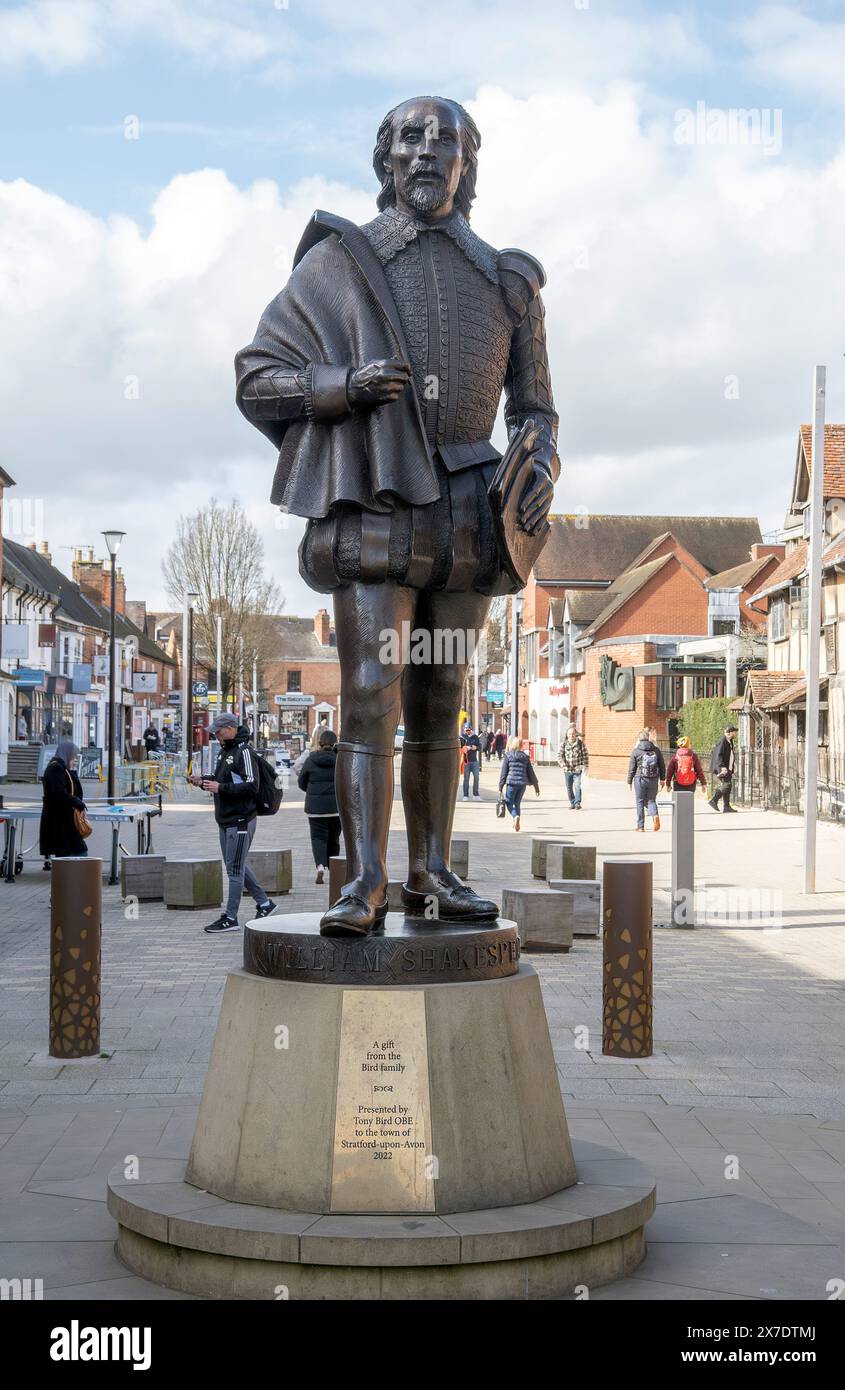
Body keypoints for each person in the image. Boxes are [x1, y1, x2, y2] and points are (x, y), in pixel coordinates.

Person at [235, 95, 557, 935]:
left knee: (443, 696)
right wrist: (341, 386)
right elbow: (257, 376)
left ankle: (434, 873)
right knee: (372, 694)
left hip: (466, 515)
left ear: (467, 164)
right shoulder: (338, 265)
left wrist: (542, 460)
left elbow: (536, 410)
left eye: (444, 140)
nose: (426, 153)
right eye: (410, 138)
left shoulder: (509, 281)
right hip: (375, 502)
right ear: (385, 159)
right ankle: (366, 881)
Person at [189, 713, 279, 934]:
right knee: (234, 865)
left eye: (219, 732)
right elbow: (224, 779)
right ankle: (265, 904)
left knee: (234, 869)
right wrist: (203, 781)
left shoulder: (244, 752)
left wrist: (220, 788)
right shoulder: (225, 751)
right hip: (226, 819)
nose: (217, 736)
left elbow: (252, 786)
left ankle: (231, 917)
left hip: (240, 819)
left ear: (230, 728)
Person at [297, 729, 341, 883]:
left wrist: (311, 790)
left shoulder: (311, 759)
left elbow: (302, 782)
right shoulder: (340, 760)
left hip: (315, 809)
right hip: (336, 808)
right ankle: (335, 869)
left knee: (318, 838)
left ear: (320, 742)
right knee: (334, 839)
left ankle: (321, 867)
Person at [39, 741, 88, 861]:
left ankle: (72, 877)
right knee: (76, 853)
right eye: (73, 757)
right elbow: (59, 794)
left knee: (75, 851)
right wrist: (77, 803)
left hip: (64, 820)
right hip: (59, 821)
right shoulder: (56, 768)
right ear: (66, 754)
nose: (74, 760)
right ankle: (71, 878)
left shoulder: (61, 768)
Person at [627, 728, 666, 832]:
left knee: (640, 801)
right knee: (651, 800)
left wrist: (629, 781)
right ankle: (655, 815)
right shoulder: (656, 750)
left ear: (639, 739)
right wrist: (662, 779)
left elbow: (632, 768)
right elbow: (662, 765)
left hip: (640, 778)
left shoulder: (636, 751)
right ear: (648, 738)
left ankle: (640, 826)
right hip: (653, 779)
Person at [498, 735, 540, 831]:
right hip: (522, 784)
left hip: (511, 783)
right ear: (521, 745)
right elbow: (531, 772)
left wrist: (500, 786)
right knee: (517, 803)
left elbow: (503, 773)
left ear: (512, 744)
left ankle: (515, 816)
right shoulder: (525, 757)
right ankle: (516, 822)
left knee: (509, 802)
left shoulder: (508, 756)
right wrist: (536, 787)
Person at [558, 723, 589, 808]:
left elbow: (585, 755)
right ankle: (572, 802)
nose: (571, 735)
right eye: (569, 734)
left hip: (577, 769)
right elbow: (559, 756)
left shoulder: (580, 744)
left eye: (573, 734)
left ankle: (577, 803)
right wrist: (563, 765)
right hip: (567, 770)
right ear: (567, 735)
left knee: (577, 785)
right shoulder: (563, 744)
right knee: (569, 787)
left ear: (575, 735)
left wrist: (586, 766)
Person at [709, 724, 738, 813]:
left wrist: (734, 764)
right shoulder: (723, 741)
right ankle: (714, 800)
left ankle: (726, 806)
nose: (735, 733)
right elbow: (719, 755)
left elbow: (730, 754)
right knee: (727, 785)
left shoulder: (729, 741)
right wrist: (722, 767)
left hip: (728, 767)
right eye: (734, 732)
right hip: (722, 768)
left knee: (728, 786)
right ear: (730, 732)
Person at [460, 724, 482, 799]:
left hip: (474, 761)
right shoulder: (462, 737)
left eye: (468, 730)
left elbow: (480, 747)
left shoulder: (475, 737)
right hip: (466, 761)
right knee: (466, 779)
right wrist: (465, 747)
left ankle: (476, 795)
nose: (467, 731)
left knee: (476, 778)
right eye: (466, 730)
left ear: (471, 729)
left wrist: (476, 747)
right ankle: (465, 795)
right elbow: (460, 748)